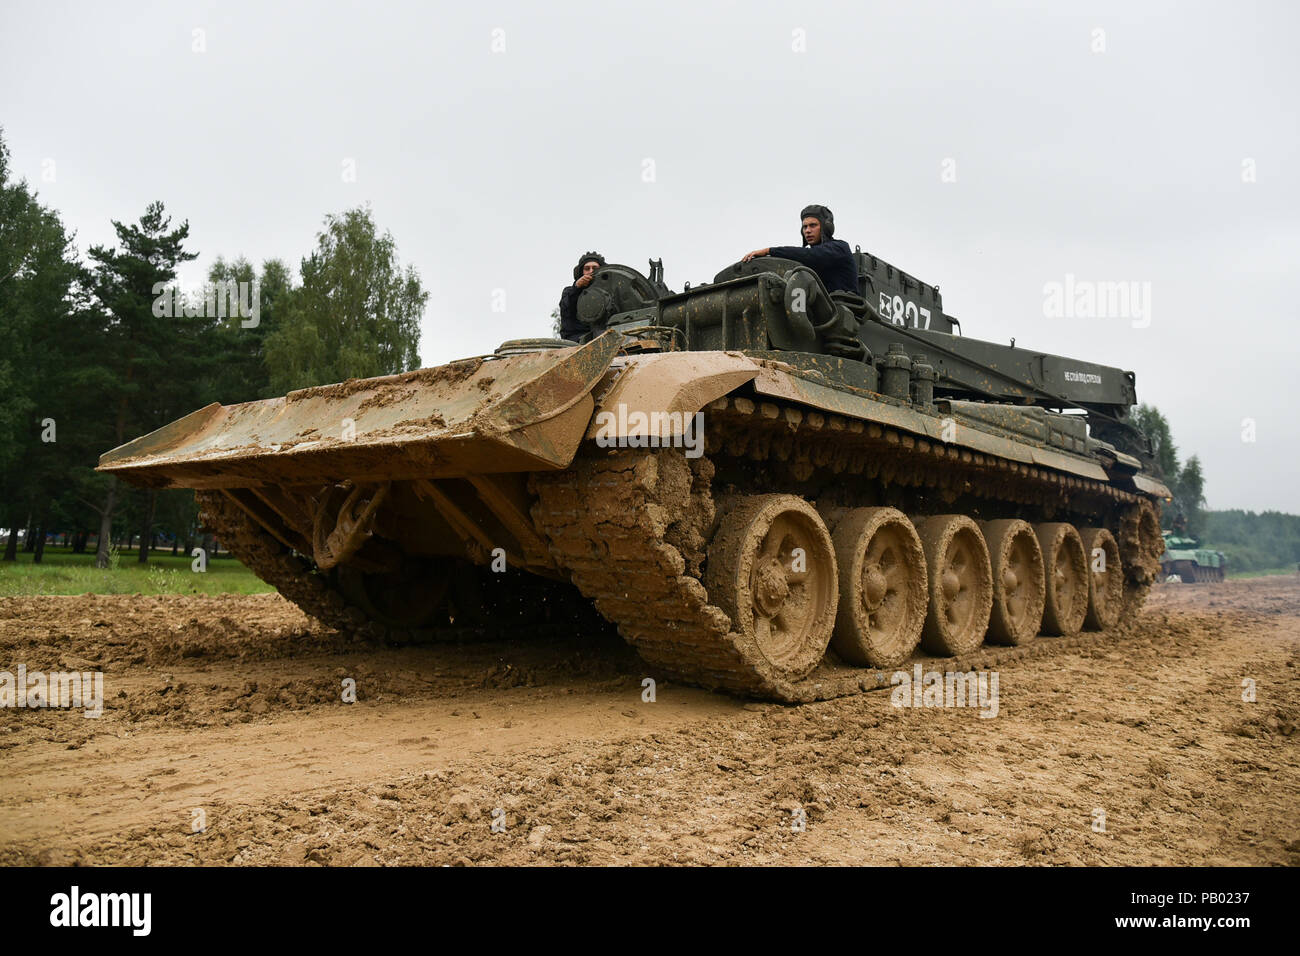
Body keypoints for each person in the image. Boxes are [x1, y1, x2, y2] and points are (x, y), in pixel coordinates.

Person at [742, 204, 858, 294]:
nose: (807, 230)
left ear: (826, 227)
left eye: (813, 225)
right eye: (804, 227)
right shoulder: (806, 259)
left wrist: (768, 251)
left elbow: (811, 255)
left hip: (844, 309)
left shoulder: (840, 248)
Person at [558, 252, 606, 342]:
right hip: (577, 339)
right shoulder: (569, 292)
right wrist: (576, 288)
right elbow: (566, 310)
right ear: (581, 272)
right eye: (587, 269)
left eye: (595, 268)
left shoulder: (610, 292)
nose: (591, 271)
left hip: (605, 336)